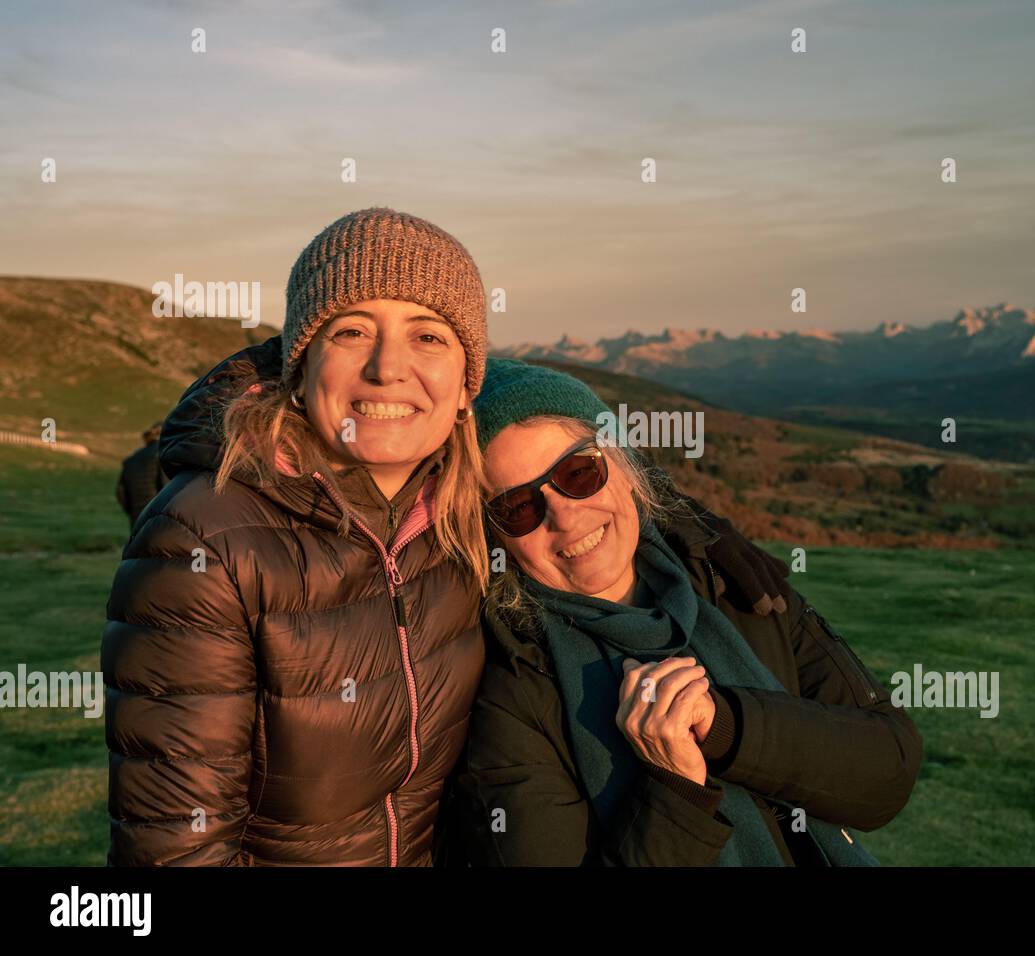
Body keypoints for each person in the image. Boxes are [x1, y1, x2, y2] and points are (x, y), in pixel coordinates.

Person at [101, 208, 493, 865]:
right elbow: (175, 852)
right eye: (350, 331)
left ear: (464, 388)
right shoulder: (204, 540)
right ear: (300, 367)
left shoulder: (460, 525)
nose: (387, 367)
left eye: (429, 336)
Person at [454, 360, 923, 865]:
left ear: (624, 468)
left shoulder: (731, 582)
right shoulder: (515, 691)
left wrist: (726, 727)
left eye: (578, 473)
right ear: (493, 536)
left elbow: (888, 770)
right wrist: (676, 793)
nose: (564, 516)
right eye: (518, 506)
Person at [115, 422, 165, 527]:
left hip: (137, 518)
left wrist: (133, 511)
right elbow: (168, 488)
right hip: (160, 519)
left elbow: (120, 492)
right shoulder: (163, 455)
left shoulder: (131, 460)